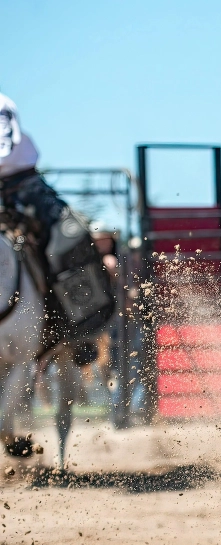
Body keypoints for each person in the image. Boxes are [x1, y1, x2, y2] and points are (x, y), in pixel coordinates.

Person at [0, 92, 113, 354]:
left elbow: (4, 146)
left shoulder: (2, 104)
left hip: (22, 187)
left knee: (69, 239)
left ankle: (81, 329)